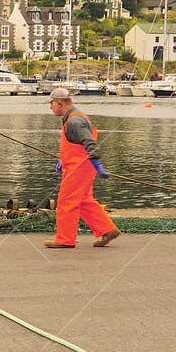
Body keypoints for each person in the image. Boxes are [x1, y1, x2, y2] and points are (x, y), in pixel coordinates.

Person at [45, 87, 120, 250]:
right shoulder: (74, 117)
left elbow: (88, 142)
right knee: (84, 201)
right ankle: (107, 229)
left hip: (78, 169)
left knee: (66, 202)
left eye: (51, 103)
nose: (50, 107)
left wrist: (98, 165)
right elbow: (76, 144)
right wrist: (63, 160)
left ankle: (65, 239)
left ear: (59, 103)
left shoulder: (75, 121)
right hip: (81, 167)